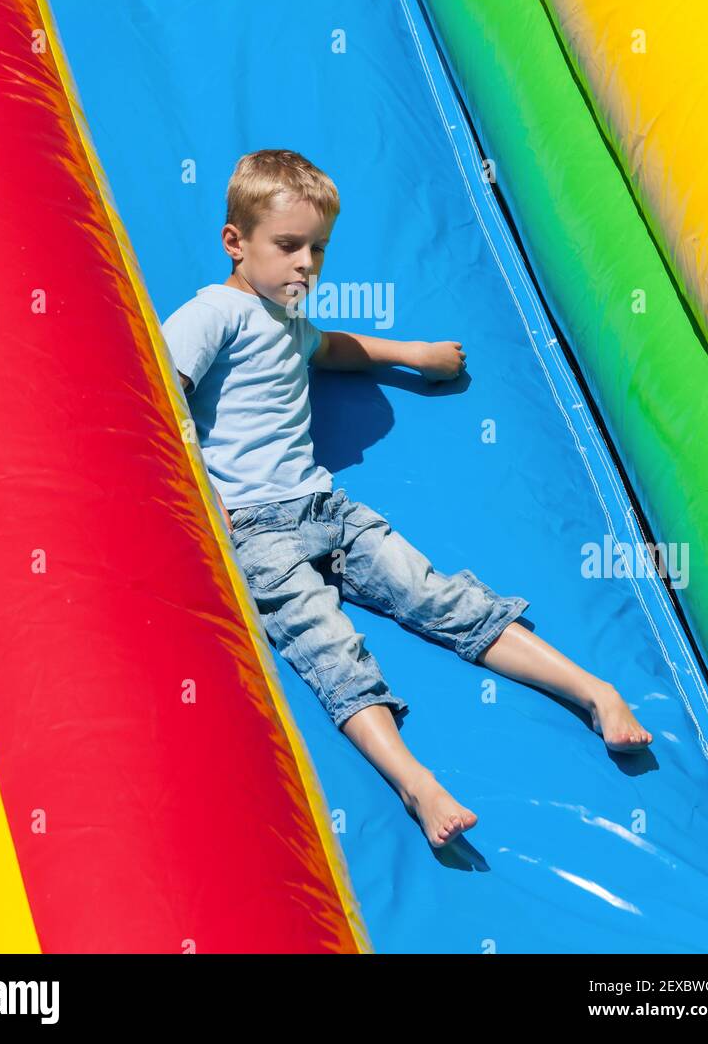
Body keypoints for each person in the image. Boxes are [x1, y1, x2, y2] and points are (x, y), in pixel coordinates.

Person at [161, 149, 653, 850]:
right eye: (288, 246)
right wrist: (207, 497)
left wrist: (412, 354)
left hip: (325, 507)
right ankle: (415, 782)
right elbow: (162, 387)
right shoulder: (215, 312)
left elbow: (327, 348)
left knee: (440, 597)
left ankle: (592, 689)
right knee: (330, 651)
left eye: (318, 249)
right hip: (255, 530)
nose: (305, 264)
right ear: (234, 243)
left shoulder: (286, 319)